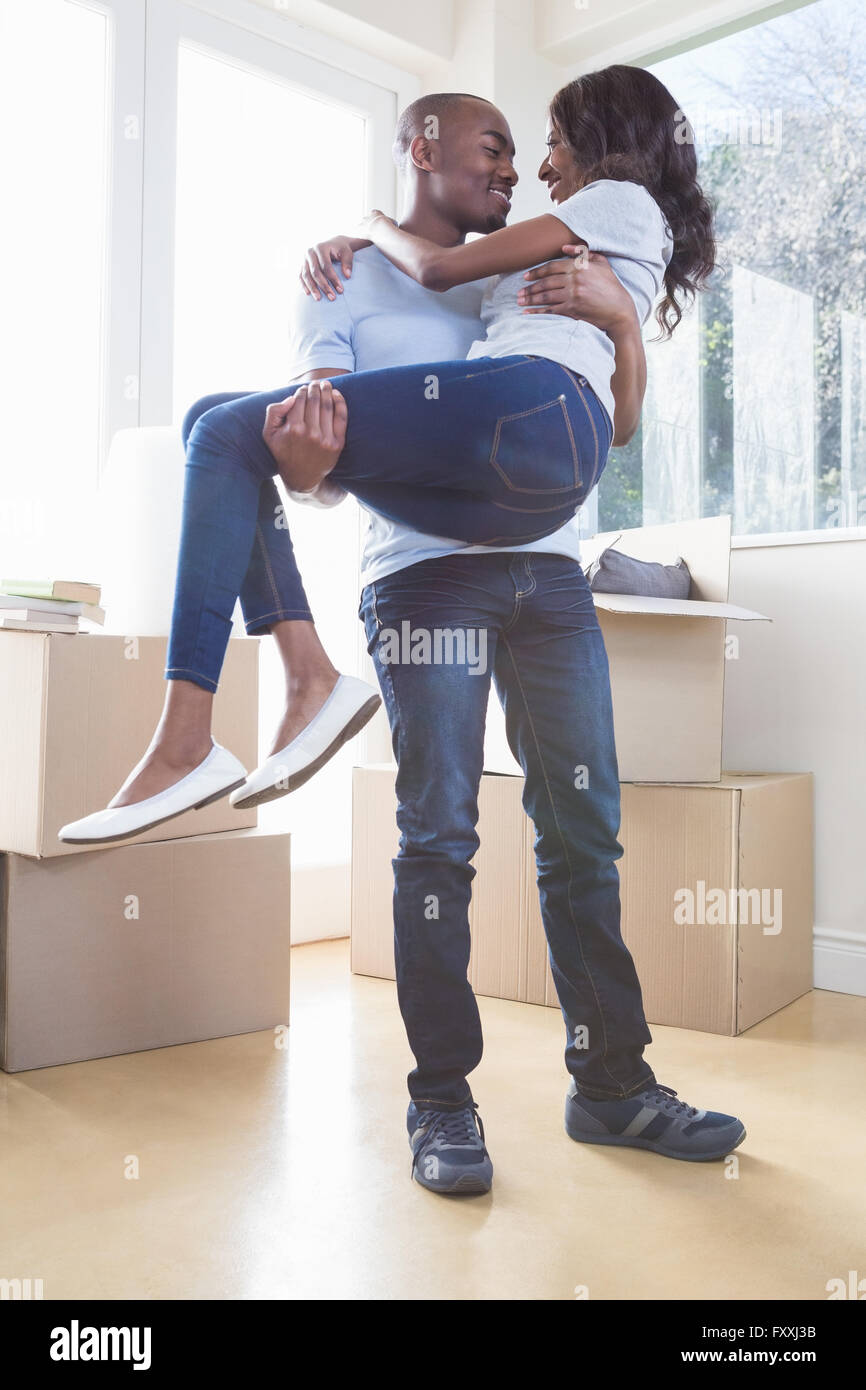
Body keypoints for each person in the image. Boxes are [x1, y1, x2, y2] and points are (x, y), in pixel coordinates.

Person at [62, 68, 745, 1190]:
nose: (514, 164)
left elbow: (607, 416)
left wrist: (622, 314)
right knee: (436, 838)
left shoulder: (524, 258)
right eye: (491, 144)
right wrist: (319, 449)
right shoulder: (342, 276)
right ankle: (442, 1106)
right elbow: (320, 471)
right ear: (419, 146)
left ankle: (612, 1086)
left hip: (545, 568)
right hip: (423, 578)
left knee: (585, 831)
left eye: (529, 147)